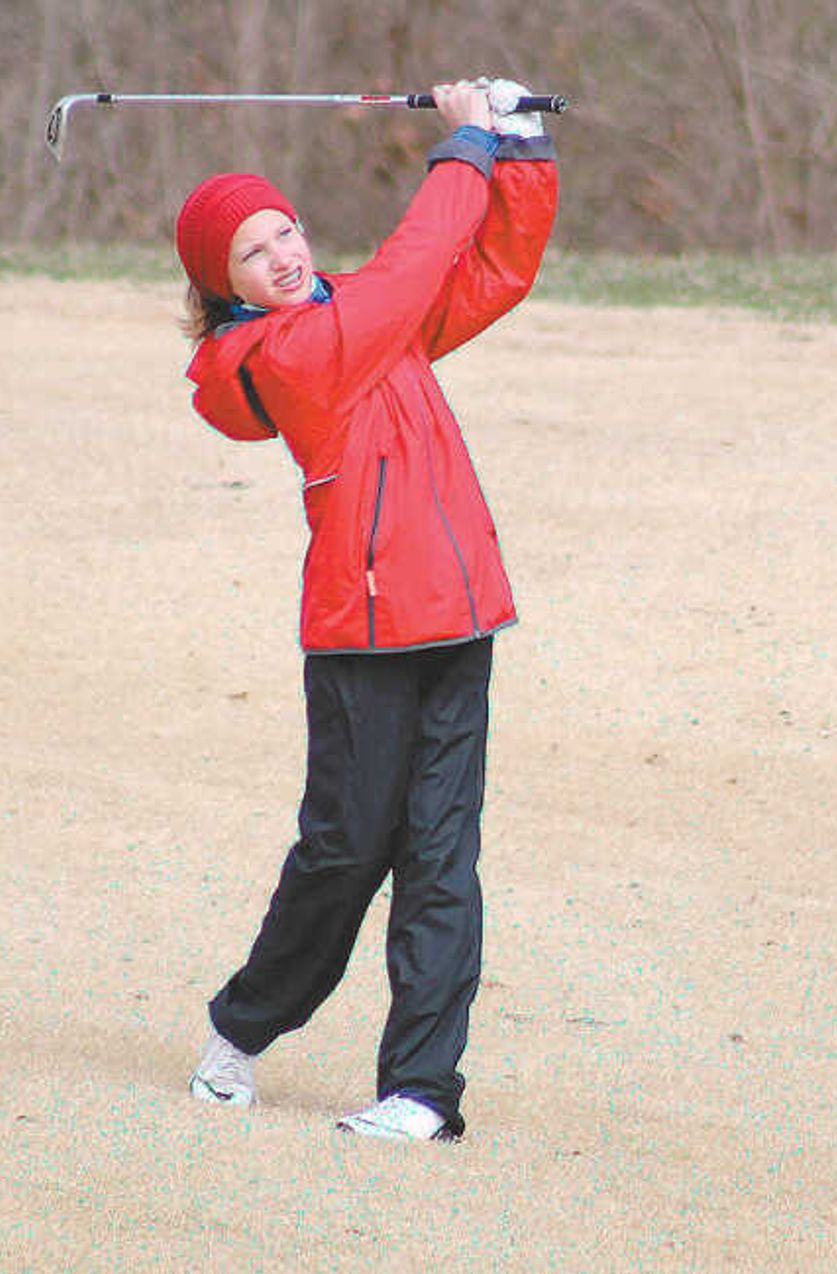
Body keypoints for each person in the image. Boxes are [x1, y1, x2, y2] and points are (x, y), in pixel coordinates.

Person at [175, 78, 558, 1141]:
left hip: (460, 615)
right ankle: (239, 1033)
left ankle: (422, 1094)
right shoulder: (283, 353)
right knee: (346, 854)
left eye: (287, 231)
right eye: (256, 253)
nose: (286, 256)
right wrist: (465, 140)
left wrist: (518, 148)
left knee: (443, 860)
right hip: (365, 633)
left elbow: (494, 268)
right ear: (229, 284)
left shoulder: (360, 316)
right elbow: (418, 265)